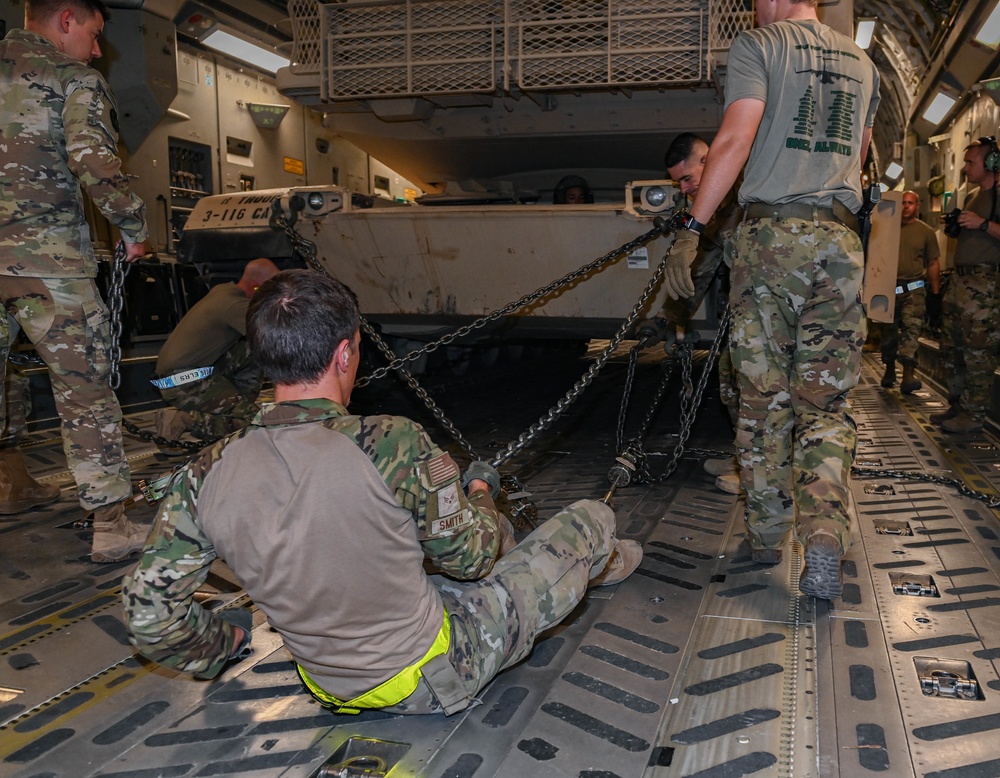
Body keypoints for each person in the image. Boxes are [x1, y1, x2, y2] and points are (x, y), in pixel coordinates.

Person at [122, 269, 642, 716]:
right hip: (434, 675)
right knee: (588, 518)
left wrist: (226, 644)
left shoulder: (208, 468)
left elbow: (150, 614)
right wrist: (480, 490)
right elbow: (471, 560)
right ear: (344, 353)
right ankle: (606, 561)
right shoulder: (389, 441)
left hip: (326, 684)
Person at [661, 0, 879, 599]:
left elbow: (735, 137)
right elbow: (858, 157)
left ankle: (767, 534)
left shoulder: (760, 46)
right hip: (839, 242)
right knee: (825, 404)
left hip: (773, 241)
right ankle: (825, 535)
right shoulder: (864, 62)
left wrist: (692, 228)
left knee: (763, 398)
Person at [0, 0, 150, 561]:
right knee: (85, 391)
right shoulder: (72, 79)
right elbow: (95, 163)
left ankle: (10, 484)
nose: (95, 50)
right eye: (92, 34)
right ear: (66, 18)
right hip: (50, 267)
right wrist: (133, 226)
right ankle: (111, 527)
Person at [660, 133, 743, 495]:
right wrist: (667, 318)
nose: (684, 188)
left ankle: (761, 473)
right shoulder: (719, 206)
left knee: (757, 389)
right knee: (730, 383)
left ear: (710, 162)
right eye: (678, 182)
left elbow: (707, 258)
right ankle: (747, 456)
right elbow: (703, 265)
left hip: (767, 311)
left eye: (688, 178)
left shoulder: (747, 195)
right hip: (740, 314)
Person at [152, 258, 280, 440]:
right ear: (255, 288)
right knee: (253, 423)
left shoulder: (224, 291)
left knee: (251, 349)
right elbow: (275, 339)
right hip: (183, 380)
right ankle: (183, 420)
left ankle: (233, 406)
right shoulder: (235, 306)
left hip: (186, 374)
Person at [932, 137, 1000, 434]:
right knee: (954, 346)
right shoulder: (973, 195)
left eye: (971, 162)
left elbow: (988, 229)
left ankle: (974, 414)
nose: (965, 167)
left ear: (991, 163)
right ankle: (958, 404)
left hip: (984, 284)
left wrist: (983, 224)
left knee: (978, 350)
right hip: (961, 281)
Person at [879, 191, 940, 394]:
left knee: (911, 329)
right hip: (889, 287)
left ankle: (908, 374)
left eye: (910, 203)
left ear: (917, 206)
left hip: (914, 287)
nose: (906, 206)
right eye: (903, 203)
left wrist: (935, 292)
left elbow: (932, 262)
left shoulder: (926, 232)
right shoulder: (886, 229)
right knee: (888, 333)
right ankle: (889, 368)